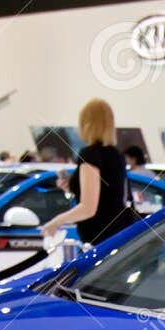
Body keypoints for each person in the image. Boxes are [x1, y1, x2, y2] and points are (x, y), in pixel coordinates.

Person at [41, 99, 137, 248]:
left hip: (99, 242)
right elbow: (108, 195)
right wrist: (72, 187)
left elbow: (88, 208)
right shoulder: (116, 155)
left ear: (86, 123)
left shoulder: (91, 155)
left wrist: (56, 222)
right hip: (118, 237)